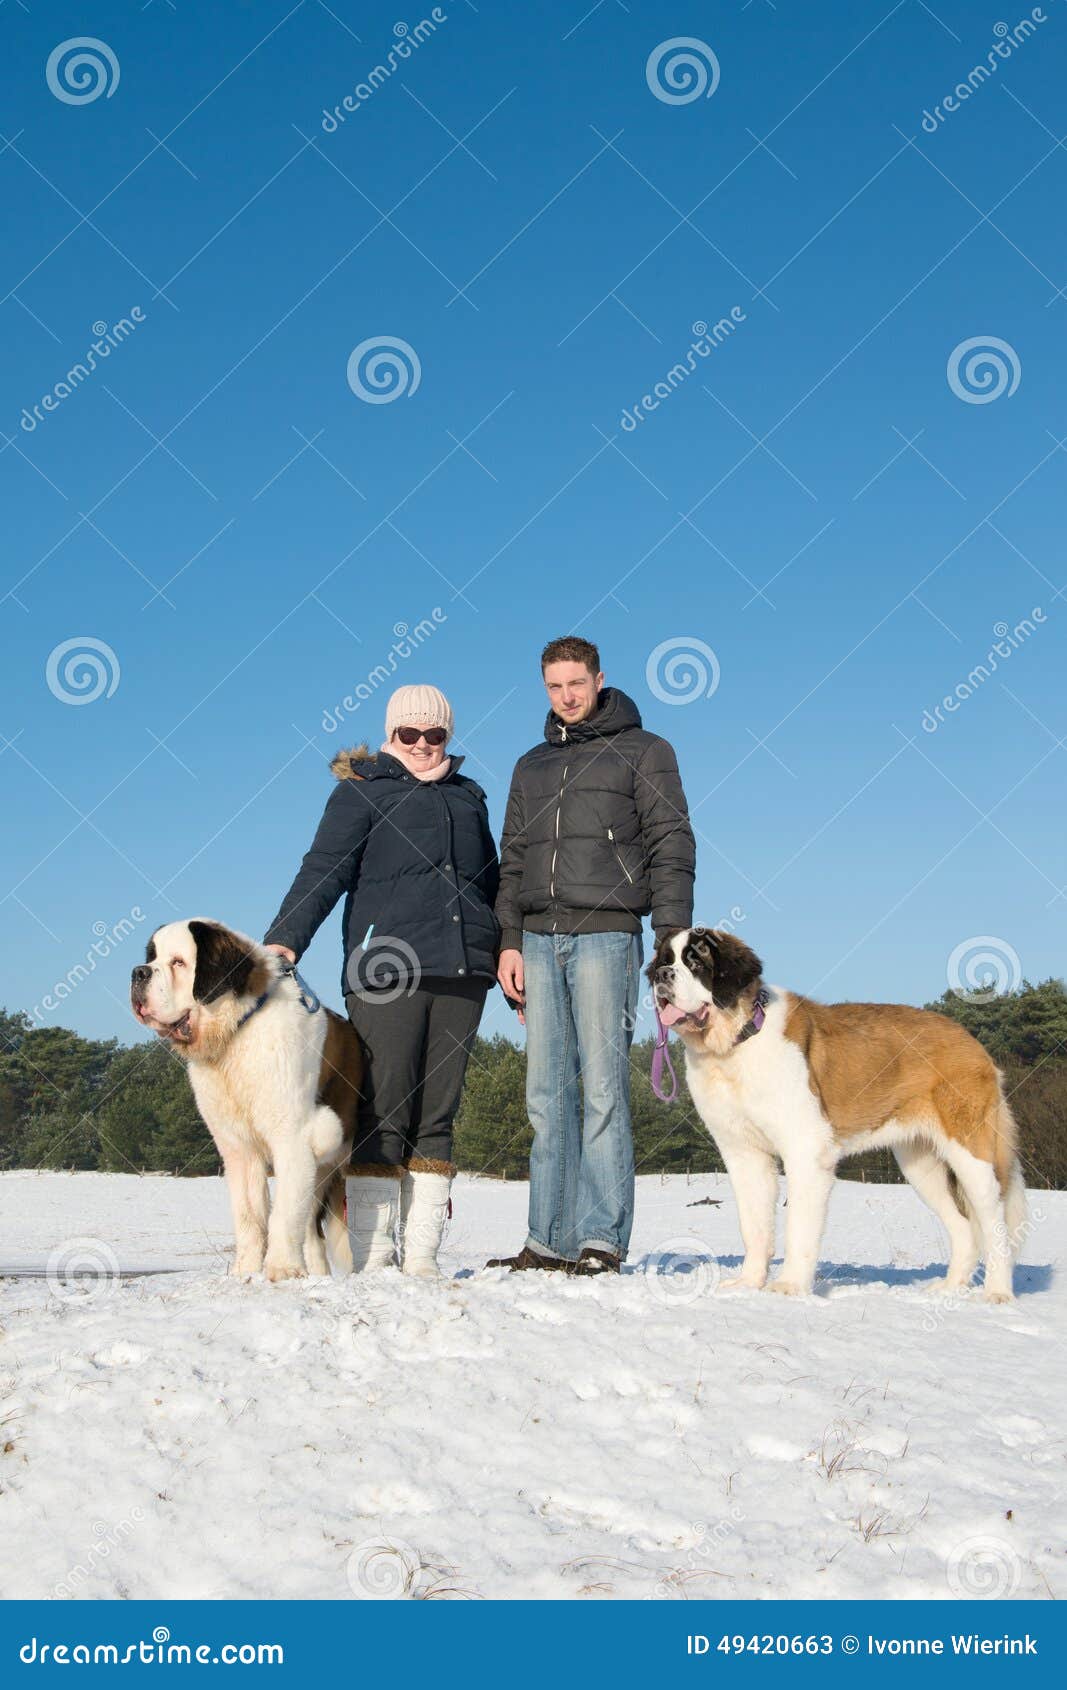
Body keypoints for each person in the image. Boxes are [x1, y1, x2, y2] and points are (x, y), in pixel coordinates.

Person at [263, 684, 499, 1277]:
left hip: (463, 970)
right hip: (384, 971)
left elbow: (493, 885)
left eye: (435, 734)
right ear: (391, 734)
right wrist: (285, 937)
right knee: (385, 1112)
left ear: (449, 735)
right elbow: (323, 868)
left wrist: (506, 952)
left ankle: (421, 1258)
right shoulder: (361, 794)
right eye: (409, 734)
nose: (422, 745)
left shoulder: (470, 798)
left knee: (438, 1115)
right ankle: (373, 1256)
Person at [489, 636, 695, 1276]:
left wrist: (671, 944)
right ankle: (547, 1240)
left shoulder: (645, 751)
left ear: (599, 679)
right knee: (546, 1095)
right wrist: (508, 942)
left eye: (576, 683)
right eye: (554, 686)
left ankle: (601, 1240)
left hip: (608, 934)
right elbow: (513, 860)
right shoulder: (531, 765)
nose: (567, 697)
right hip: (539, 940)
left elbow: (671, 843)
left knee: (603, 1089)